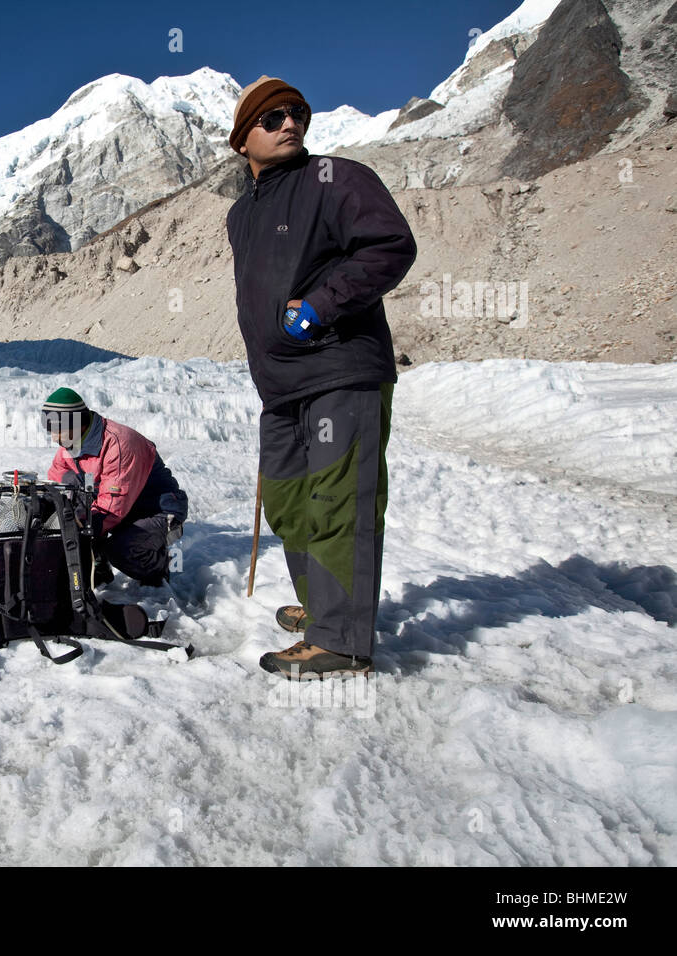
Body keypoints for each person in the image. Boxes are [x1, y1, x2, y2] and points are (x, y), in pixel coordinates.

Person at [225, 76, 417, 679]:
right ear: (241, 140)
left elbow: (390, 246)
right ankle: (322, 610)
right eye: (273, 117)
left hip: (340, 368)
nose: (290, 123)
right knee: (289, 504)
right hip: (282, 387)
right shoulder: (240, 215)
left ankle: (341, 641)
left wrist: (319, 307)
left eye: (297, 114)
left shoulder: (336, 178)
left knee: (338, 503)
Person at [42, 388, 187, 587]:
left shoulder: (120, 444)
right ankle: (98, 568)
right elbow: (58, 480)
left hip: (155, 510)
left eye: (58, 430)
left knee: (121, 551)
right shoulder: (72, 442)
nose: (54, 438)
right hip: (121, 509)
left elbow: (111, 506)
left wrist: (78, 528)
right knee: (70, 489)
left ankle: (160, 565)